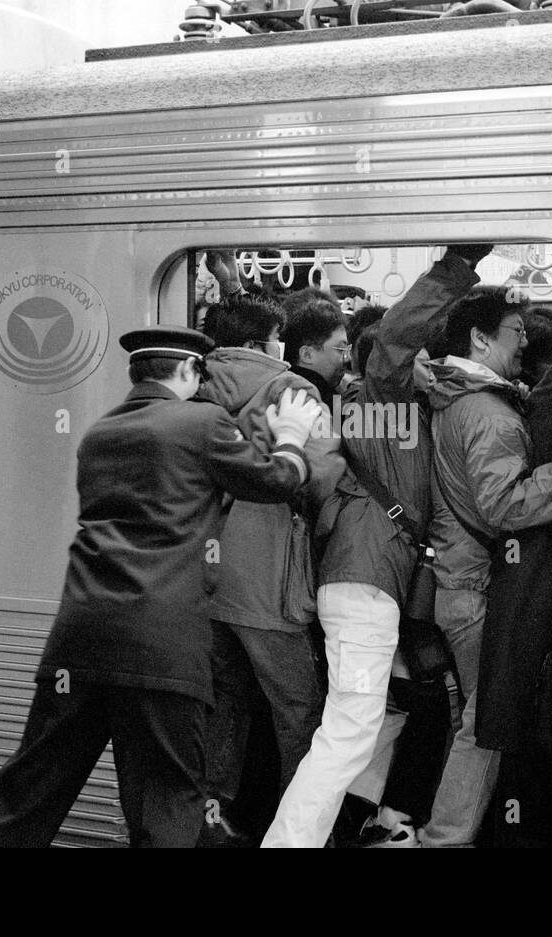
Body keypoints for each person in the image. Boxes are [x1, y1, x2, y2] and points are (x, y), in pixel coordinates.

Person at [0, 326, 322, 848]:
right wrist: (290, 433)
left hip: (79, 636)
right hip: (161, 644)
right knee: (164, 798)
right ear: (187, 371)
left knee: (32, 785)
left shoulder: (99, 433)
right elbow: (277, 481)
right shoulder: (201, 423)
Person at [262, 243, 491, 849]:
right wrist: (457, 268)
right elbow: (395, 338)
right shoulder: (381, 399)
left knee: (364, 723)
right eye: (419, 358)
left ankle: (354, 825)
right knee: (349, 730)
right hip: (366, 582)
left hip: (360, 578)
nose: (428, 365)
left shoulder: (378, 414)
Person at [192, 290, 344, 845]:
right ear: (264, 342)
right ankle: (303, 835)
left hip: (206, 578)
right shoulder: (291, 390)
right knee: (298, 711)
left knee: (224, 704)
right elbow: (323, 476)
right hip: (267, 579)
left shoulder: (196, 388)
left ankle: (210, 822)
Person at [419, 290, 552, 847]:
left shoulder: (458, 399)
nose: (524, 340)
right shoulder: (487, 412)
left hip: (456, 583)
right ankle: (445, 837)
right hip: (474, 590)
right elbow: (505, 505)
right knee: (486, 723)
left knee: (475, 720)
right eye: (514, 330)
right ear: (480, 339)